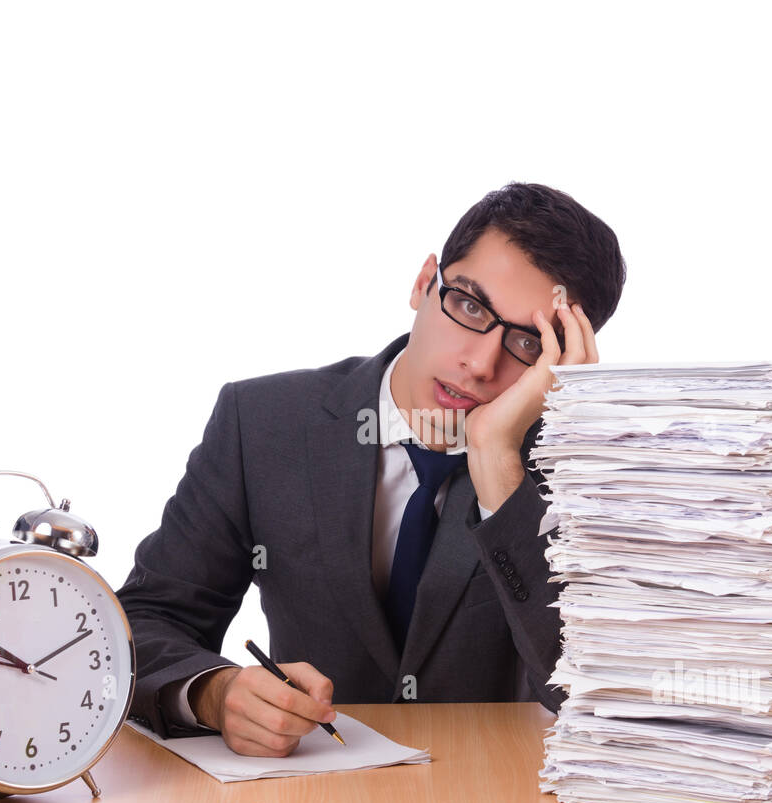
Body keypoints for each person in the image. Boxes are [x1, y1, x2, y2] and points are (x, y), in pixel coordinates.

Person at [114, 182, 626, 757]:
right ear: (423, 282)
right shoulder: (262, 424)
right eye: (469, 306)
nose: (480, 364)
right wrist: (213, 691)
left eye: (529, 344)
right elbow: (143, 620)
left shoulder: (588, 471)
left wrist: (499, 466)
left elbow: (595, 696)